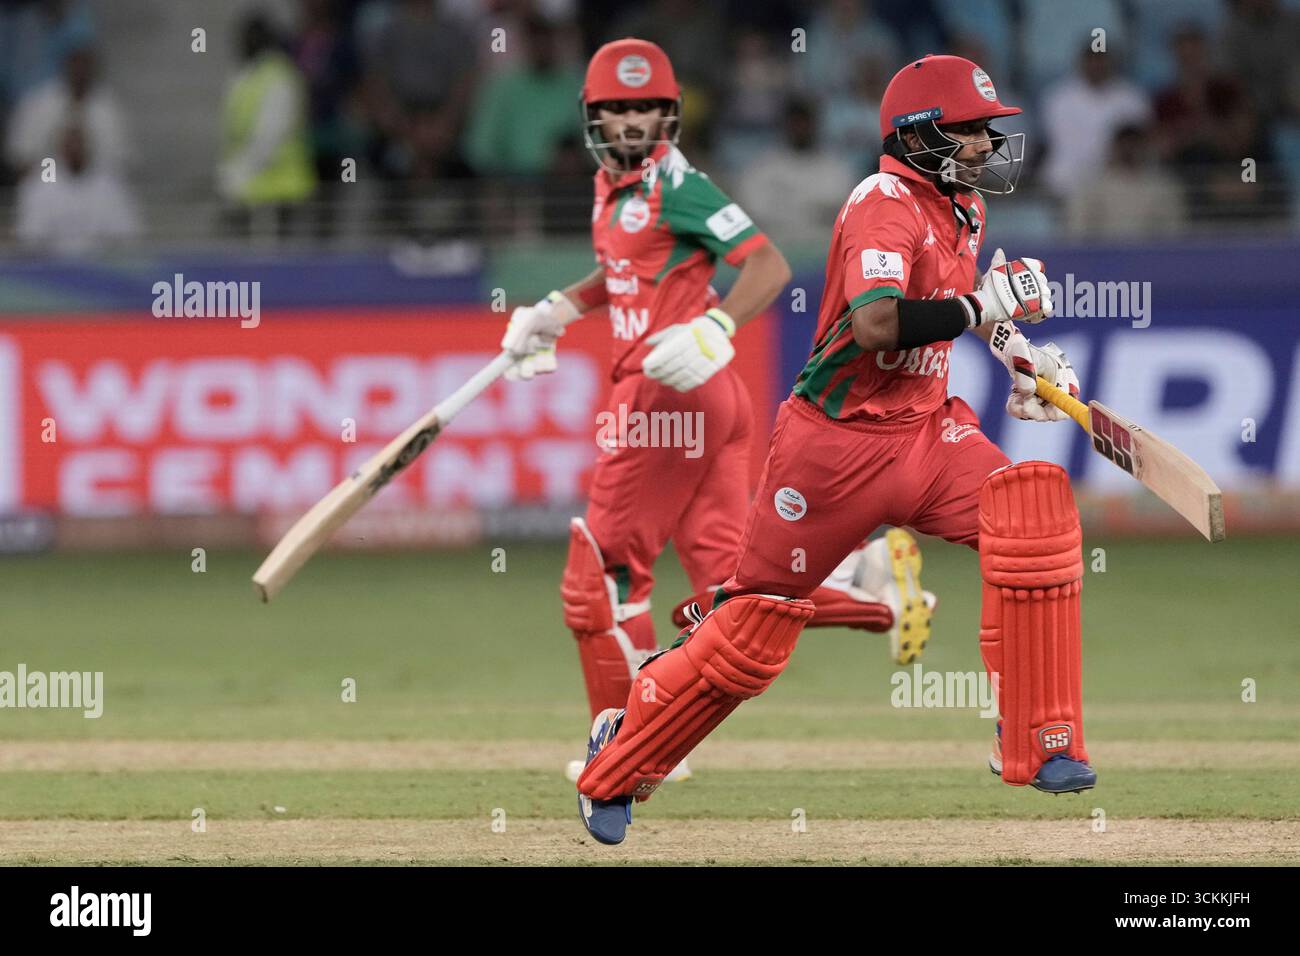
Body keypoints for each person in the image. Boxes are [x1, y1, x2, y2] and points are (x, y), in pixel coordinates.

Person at [575, 54, 1096, 845]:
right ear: (919, 136)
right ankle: (618, 759)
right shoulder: (881, 203)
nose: (988, 145)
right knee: (751, 637)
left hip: (926, 433)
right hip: (833, 449)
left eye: (991, 130)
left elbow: (957, 308)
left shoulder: (960, 205)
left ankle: (1034, 739)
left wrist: (1018, 350)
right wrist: (985, 300)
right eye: (971, 131)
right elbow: (876, 324)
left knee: (1036, 517)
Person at [501, 39, 924, 784]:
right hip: (707, 398)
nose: (631, 123)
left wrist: (718, 324)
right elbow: (627, 266)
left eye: (645, 109)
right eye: (617, 109)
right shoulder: (613, 189)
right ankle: (876, 591)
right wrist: (559, 307)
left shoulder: (678, 186)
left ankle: (628, 751)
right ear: (595, 118)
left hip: (671, 386)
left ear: (670, 115)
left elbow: (768, 264)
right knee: (734, 591)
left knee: (599, 575)